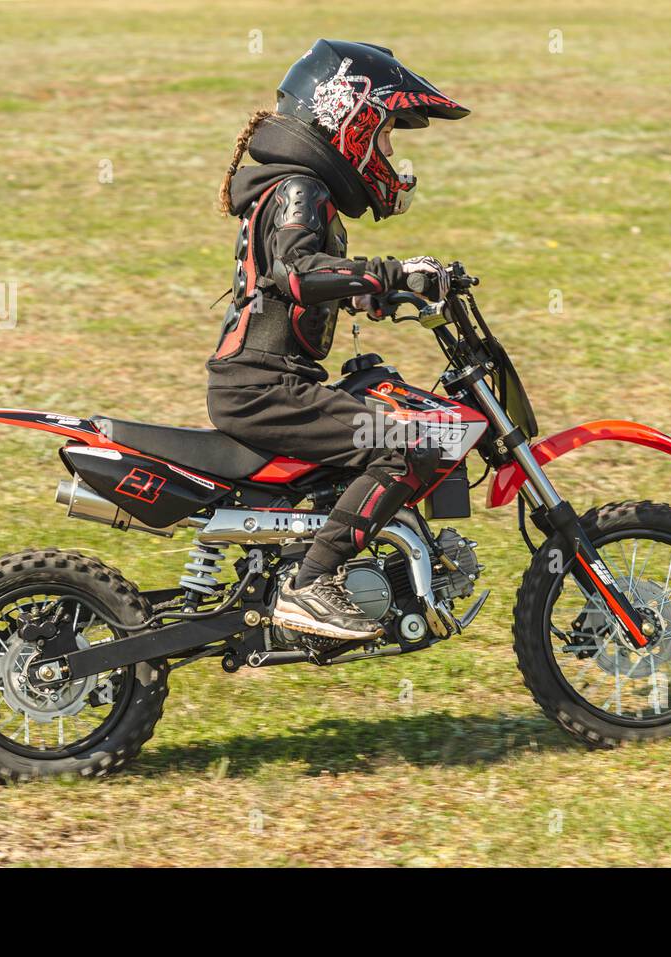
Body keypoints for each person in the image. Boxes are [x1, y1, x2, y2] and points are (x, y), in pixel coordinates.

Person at [206, 39, 468, 643]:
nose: (390, 154)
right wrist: (394, 272)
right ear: (349, 121)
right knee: (405, 446)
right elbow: (296, 272)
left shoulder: (295, 187)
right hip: (263, 388)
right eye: (386, 136)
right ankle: (312, 582)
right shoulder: (300, 188)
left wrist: (380, 294)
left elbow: (305, 282)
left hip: (267, 382)